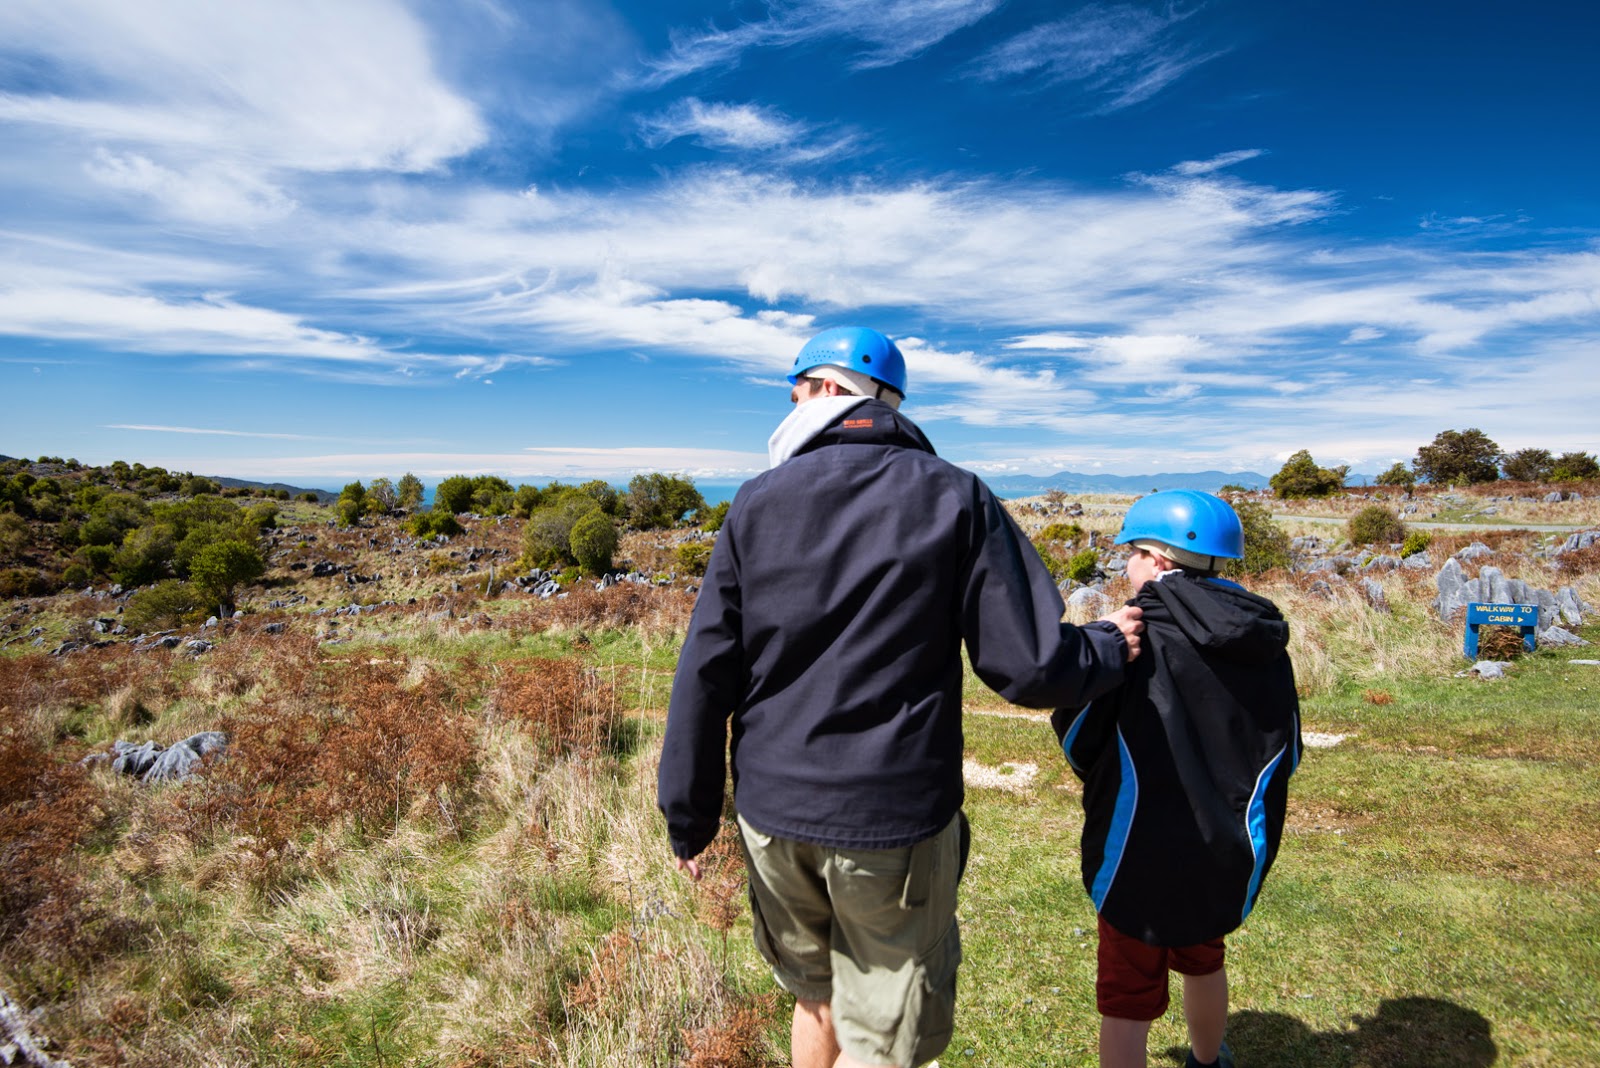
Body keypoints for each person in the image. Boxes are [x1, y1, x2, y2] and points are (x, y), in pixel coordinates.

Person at [658, 326, 1145, 1068]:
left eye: (795, 390)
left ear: (821, 390)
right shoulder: (954, 496)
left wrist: (689, 817)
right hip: (888, 819)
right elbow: (1031, 667)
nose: (789, 406)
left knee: (815, 997)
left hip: (770, 815)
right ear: (889, 401)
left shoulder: (754, 504)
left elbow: (706, 671)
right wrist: (1109, 644)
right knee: (884, 1041)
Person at [1052, 489, 1302, 1068]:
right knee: (1205, 957)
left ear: (1160, 560)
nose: (1126, 566)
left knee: (1127, 998)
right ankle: (1209, 1061)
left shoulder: (1131, 631)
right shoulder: (1264, 636)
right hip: (1225, 844)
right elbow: (1285, 749)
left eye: (1132, 553)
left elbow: (1077, 736)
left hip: (1135, 848)